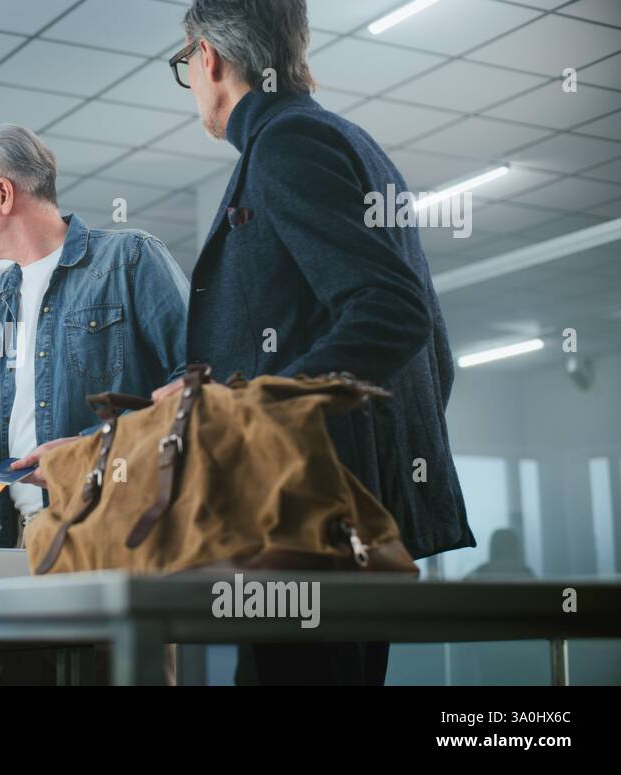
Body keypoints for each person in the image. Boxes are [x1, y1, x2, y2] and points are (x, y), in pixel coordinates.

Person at [153, 0, 473, 685]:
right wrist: (212, 389)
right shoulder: (352, 143)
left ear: (208, 57)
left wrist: (253, 410)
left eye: (187, 64)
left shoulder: (287, 144)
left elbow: (391, 312)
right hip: (347, 519)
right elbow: (431, 358)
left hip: (308, 525)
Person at [0, 125, 191, 684]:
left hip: (112, 539)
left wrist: (84, 451)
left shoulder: (128, 260)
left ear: (2, 195)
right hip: (20, 552)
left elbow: (196, 385)